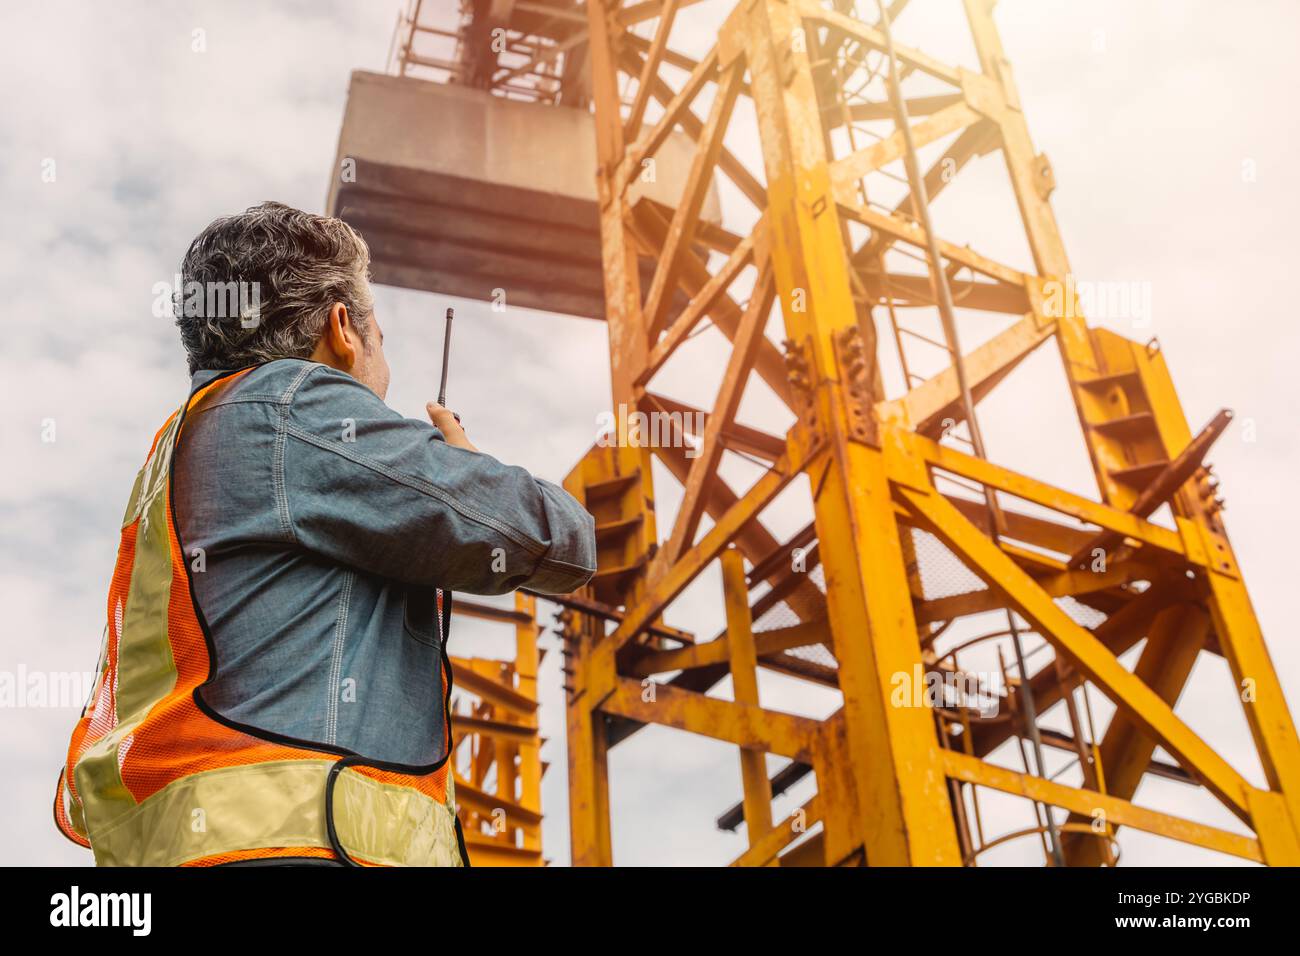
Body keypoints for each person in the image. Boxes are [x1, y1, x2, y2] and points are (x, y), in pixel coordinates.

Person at [54, 201, 596, 867]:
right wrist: (467, 468)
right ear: (344, 327)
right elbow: (553, 537)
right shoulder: (294, 408)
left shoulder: (179, 445)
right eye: (381, 338)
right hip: (294, 842)